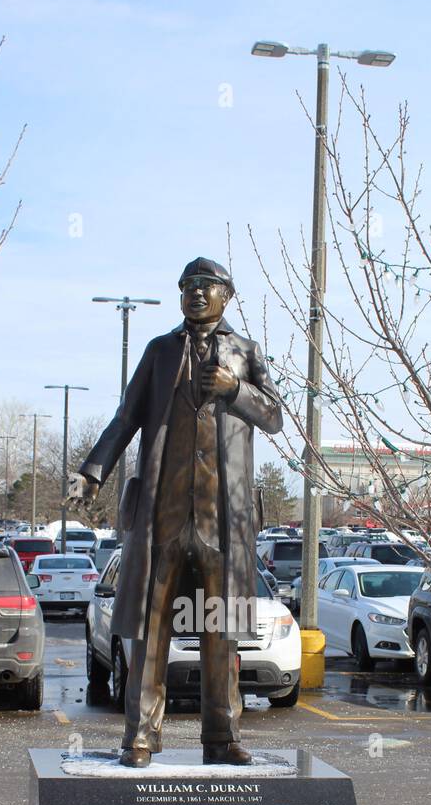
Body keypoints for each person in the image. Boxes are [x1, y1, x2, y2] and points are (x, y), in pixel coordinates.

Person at [75, 257, 283, 767]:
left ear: (226, 296)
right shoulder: (161, 351)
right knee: (151, 632)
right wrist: (93, 471)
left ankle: (223, 736)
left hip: (223, 521)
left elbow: (275, 416)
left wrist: (234, 389)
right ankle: (141, 737)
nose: (195, 293)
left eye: (205, 286)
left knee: (222, 631)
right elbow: (126, 416)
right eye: (187, 286)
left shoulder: (246, 353)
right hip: (164, 518)